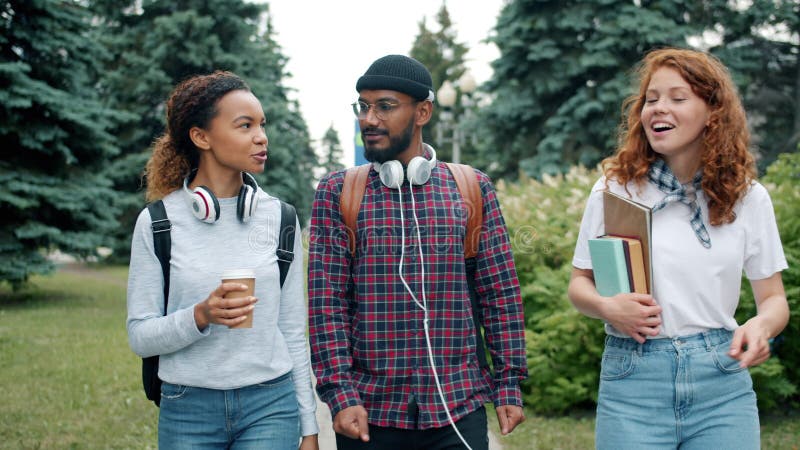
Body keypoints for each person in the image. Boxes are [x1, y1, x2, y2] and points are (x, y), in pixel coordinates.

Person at [568, 48, 790, 449]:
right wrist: (606, 307)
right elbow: (579, 284)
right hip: (633, 379)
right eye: (651, 99)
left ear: (712, 112)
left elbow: (773, 299)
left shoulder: (748, 198)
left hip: (721, 381)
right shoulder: (615, 189)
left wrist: (762, 325)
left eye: (677, 97)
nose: (658, 108)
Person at [307, 54, 528, 450]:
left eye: (384, 106)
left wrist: (508, 384)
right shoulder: (338, 193)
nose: (368, 118)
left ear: (422, 111)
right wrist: (340, 394)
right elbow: (327, 305)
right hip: (369, 412)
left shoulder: (471, 187)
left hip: (458, 408)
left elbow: (500, 294)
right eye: (363, 106)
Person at [126, 71, 319, 449]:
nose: (261, 136)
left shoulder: (282, 219)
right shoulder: (158, 223)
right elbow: (140, 336)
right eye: (245, 125)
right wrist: (200, 316)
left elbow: (293, 331)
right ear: (201, 137)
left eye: (262, 124)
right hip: (188, 407)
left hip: (271, 406)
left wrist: (309, 425)